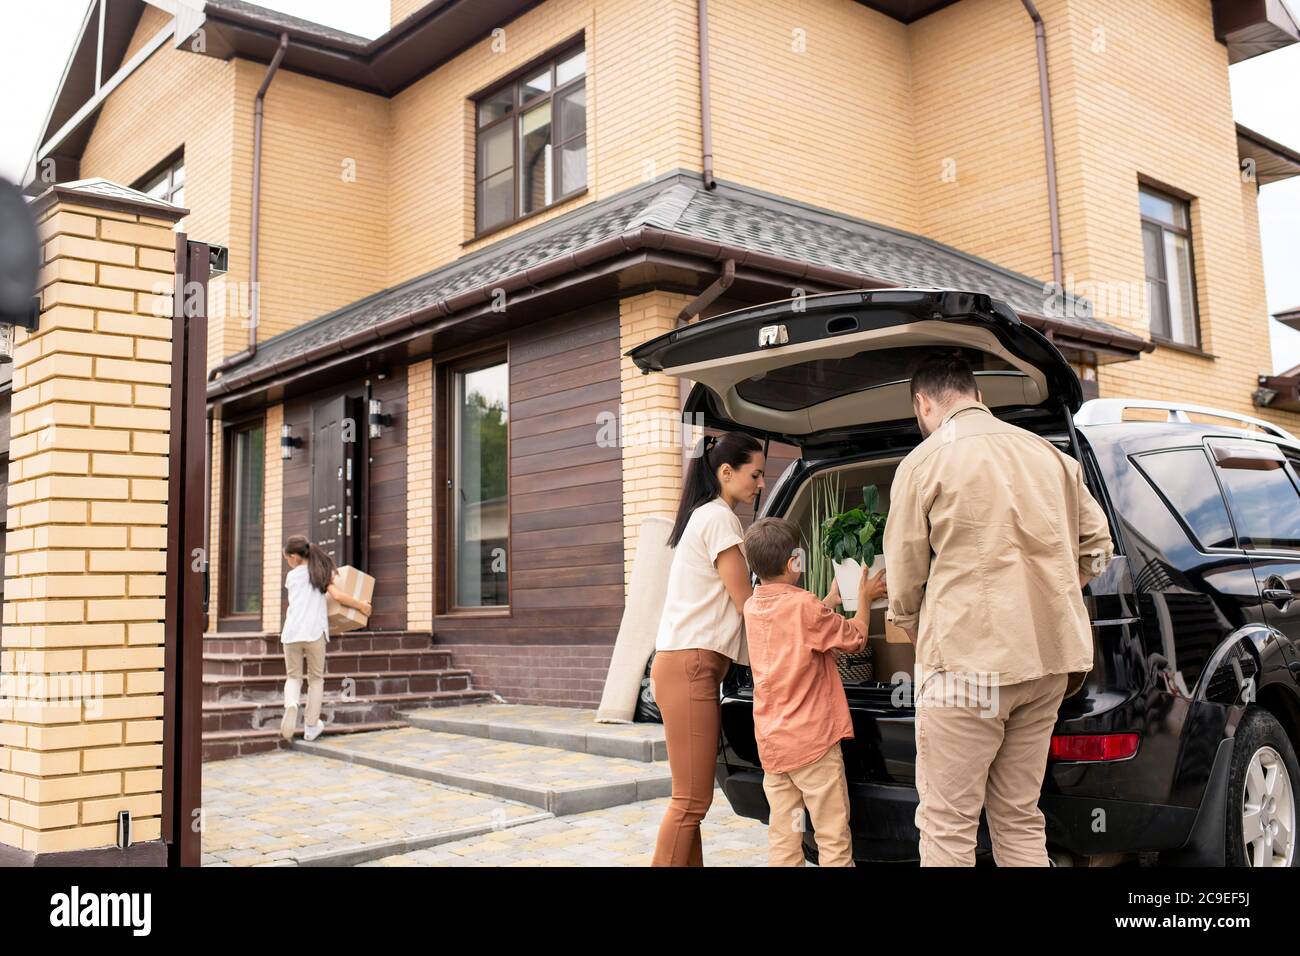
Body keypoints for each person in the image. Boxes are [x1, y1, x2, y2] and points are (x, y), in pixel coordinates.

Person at [883, 351, 1113, 866]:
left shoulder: (923, 463)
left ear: (922, 404)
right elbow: (1098, 547)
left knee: (947, 824)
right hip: (1047, 663)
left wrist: (919, 628)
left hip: (968, 668)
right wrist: (1053, 589)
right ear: (978, 397)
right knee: (1019, 815)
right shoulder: (1051, 456)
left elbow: (902, 580)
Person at [741, 516, 886, 867]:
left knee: (786, 835)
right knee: (831, 834)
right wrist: (863, 599)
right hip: (813, 747)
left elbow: (796, 629)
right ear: (794, 562)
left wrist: (830, 601)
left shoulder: (752, 606)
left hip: (775, 749)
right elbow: (855, 638)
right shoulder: (804, 606)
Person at [650, 431, 765, 867]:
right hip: (692, 665)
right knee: (691, 802)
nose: (760, 484)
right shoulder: (718, 518)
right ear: (725, 472)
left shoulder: (704, 516)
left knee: (691, 802)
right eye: (754, 474)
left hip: (682, 664)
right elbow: (748, 605)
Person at [279, 535, 373, 742]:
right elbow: (338, 597)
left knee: (293, 677)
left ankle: (291, 704)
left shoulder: (292, 577)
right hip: (314, 633)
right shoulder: (320, 573)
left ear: (294, 557)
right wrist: (361, 606)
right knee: (315, 679)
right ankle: (311, 726)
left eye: (287, 558)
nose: (288, 562)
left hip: (291, 633)